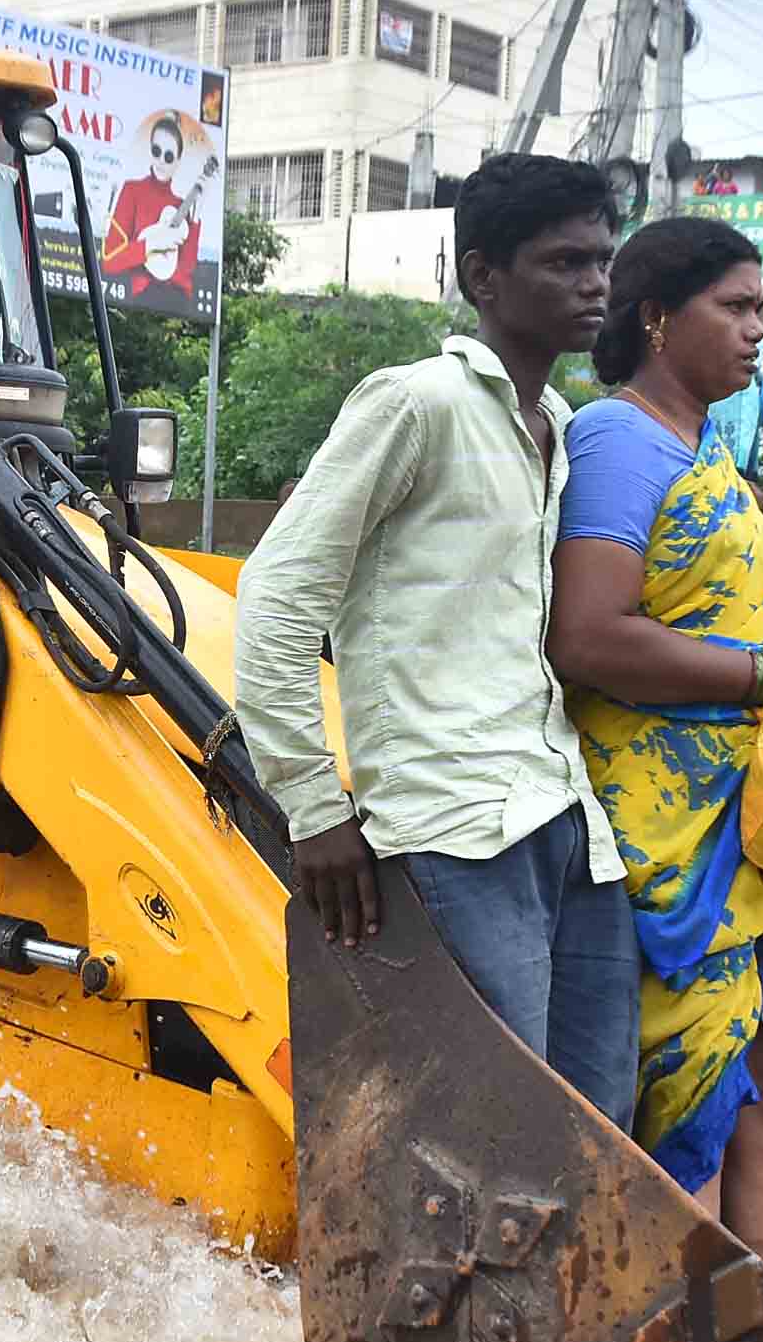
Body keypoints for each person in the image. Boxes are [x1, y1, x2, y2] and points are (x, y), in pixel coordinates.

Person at [232, 154, 640, 1123]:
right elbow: (277, 597)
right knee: (485, 1129)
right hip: (450, 824)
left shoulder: (558, 421)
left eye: (602, 259)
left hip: (564, 819)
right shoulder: (417, 401)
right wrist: (312, 807)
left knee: (592, 1127)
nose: (593, 283)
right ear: (481, 278)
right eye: (563, 261)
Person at [549, 219, 763, 1236]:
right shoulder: (616, 440)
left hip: (750, 825)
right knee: (678, 1100)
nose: (756, 330)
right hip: (665, 830)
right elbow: (589, 633)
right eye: (734, 306)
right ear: (654, 316)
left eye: (760, 308)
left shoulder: (708, 452)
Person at [98, 112, 208, 302]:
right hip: (138, 299)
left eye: (168, 156)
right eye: (156, 151)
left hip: (174, 303)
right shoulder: (132, 191)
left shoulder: (180, 207)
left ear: (178, 161)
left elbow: (185, 276)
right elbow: (109, 260)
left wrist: (195, 221)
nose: (161, 161)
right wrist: (150, 245)